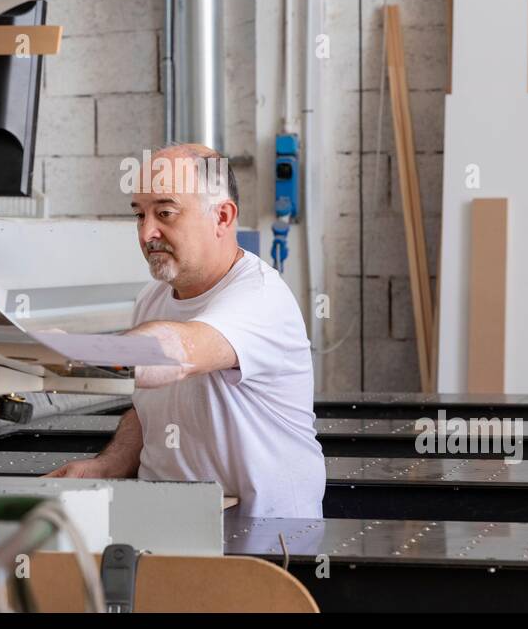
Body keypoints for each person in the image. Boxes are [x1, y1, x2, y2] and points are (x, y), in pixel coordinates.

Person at [45, 143, 325, 519]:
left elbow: (179, 353)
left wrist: (70, 351)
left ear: (222, 218)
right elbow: (153, 413)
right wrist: (108, 465)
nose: (147, 233)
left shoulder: (261, 298)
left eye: (165, 213)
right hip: (171, 527)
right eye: (139, 215)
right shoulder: (152, 299)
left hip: (265, 544)